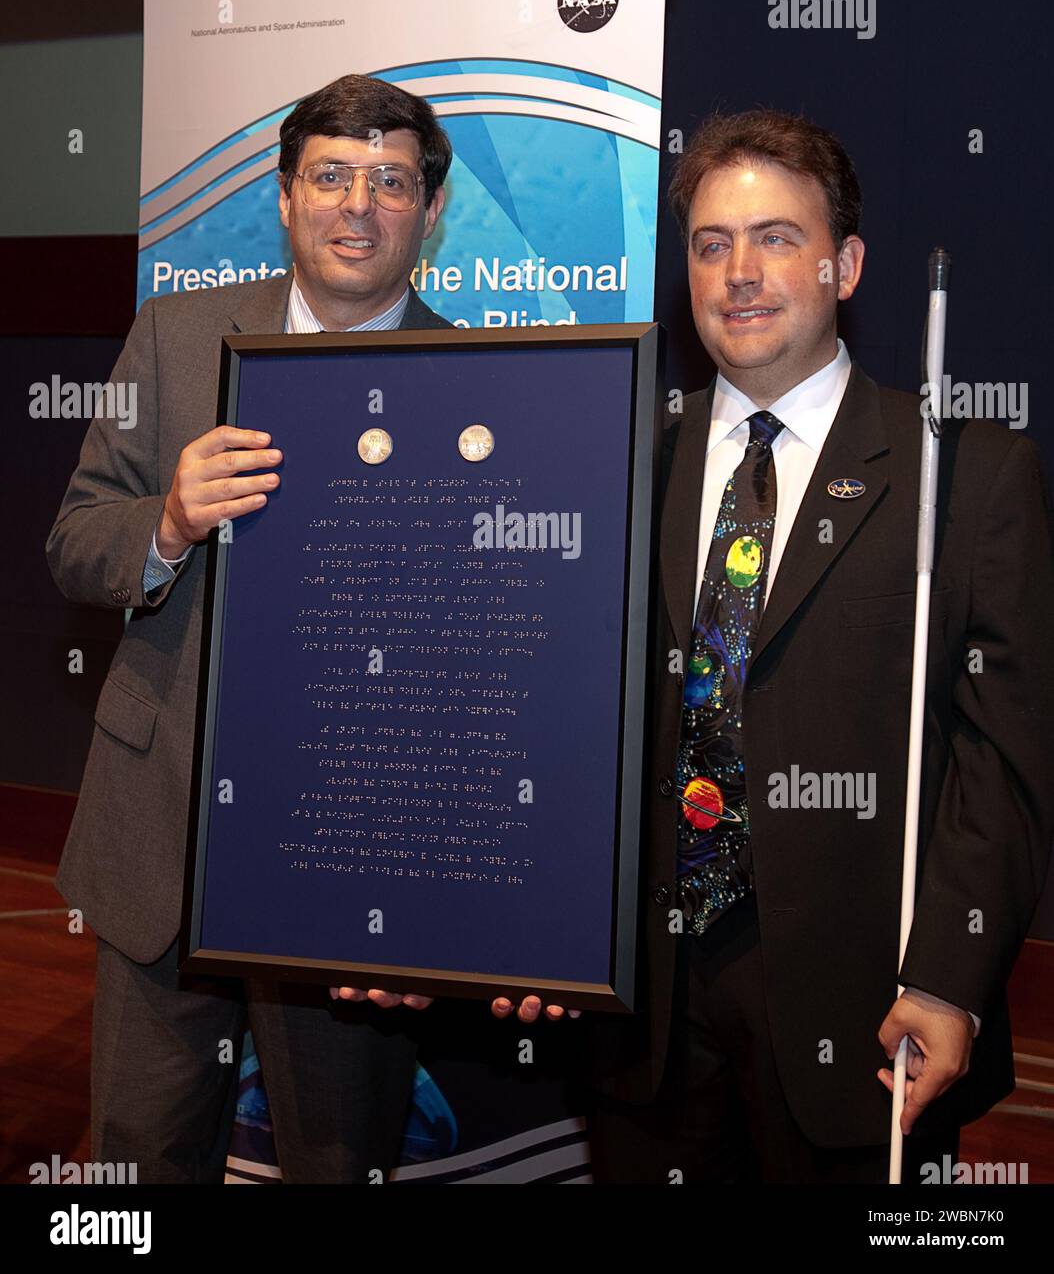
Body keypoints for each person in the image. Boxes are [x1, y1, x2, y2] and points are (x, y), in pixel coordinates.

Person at [495, 108, 1054, 1184]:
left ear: (843, 264)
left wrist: (947, 978)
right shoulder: (613, 462)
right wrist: (532, 922)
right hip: (640, 1012)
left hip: (865, 1013)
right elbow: (555, 720)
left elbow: (1007, 768)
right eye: (710, 244)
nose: (738, 272)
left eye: (775, 238)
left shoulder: (968, 478)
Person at [46, 73, 453, 1183]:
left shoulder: (480, 385)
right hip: (161, 843)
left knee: (335, 1158)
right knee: (138, 1156)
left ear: (429, 209)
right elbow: (75, 541)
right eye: (329, 175)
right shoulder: (176, 337)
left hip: (344, 859)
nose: (355, 205)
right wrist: (167, 520)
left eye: (389, 181)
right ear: (283, 196)